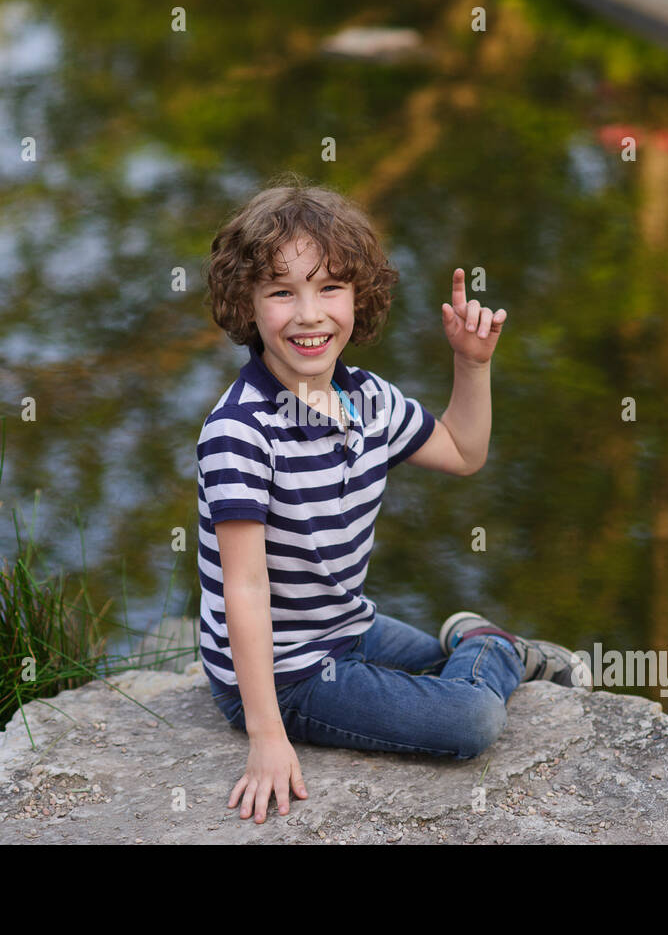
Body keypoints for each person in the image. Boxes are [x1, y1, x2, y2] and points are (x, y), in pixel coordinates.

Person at [195, 176, 590, 825]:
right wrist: (267, 735)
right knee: (472, 716)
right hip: (285, 672)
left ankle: (481, 641)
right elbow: (244, 587)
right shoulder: (240, 432)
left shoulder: (370, 400)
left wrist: (472, 364)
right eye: (281, 292)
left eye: (329, 287)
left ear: (359, 296)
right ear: (247, 303)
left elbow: (464, 452)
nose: (309, 314)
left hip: (350, 625)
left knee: (446, 673)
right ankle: (499, 647)